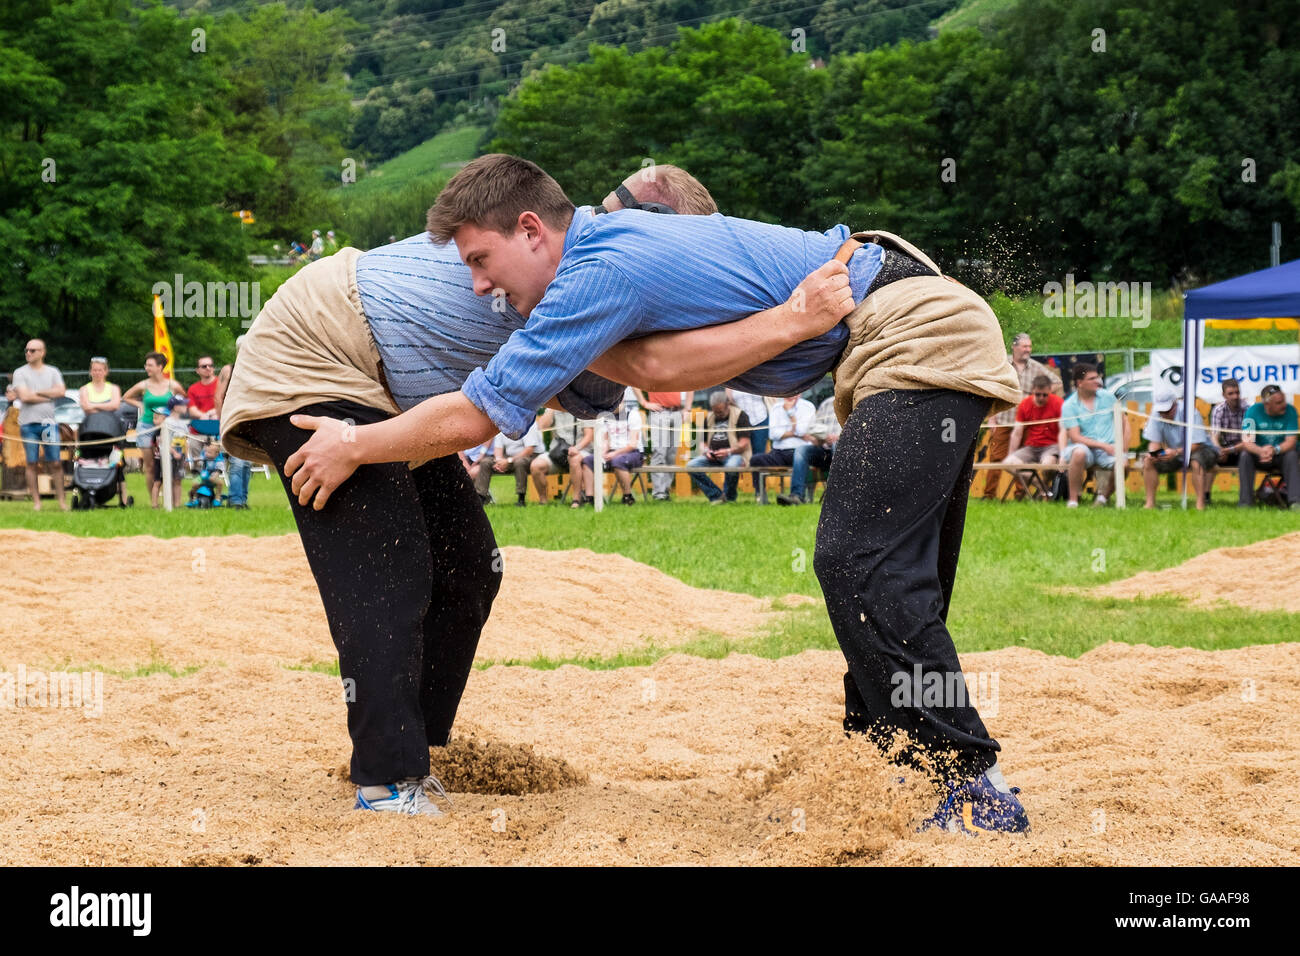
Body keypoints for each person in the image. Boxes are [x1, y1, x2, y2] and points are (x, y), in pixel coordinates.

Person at [287, 155, 1031, 833]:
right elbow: (650, 363)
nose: (478, 285)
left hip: (911, 327)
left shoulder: (601, 267)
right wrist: (789, 317)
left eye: (481, 259)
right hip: (897, 329)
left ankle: (967, 781)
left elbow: (480, 413)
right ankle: (895, 760)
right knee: (893, 574)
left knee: (861, 564)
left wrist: (352, 442)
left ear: (531, 228)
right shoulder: (614, 261)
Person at [221, 162, 849, 816]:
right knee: (388, 563)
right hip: (317, 356)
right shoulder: (591, 273)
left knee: (467, 569)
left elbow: (652, 372)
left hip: (398, 396)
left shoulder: (588, 262)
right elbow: (657, 375)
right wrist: (792, 317)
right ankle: (386, 780)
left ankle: (420, 756)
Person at [980, 333, 1063, 499]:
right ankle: (989, 495)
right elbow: (992, 390)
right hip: (1004, 419)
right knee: (996, 458)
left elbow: (1058, 382)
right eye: (1025, 346)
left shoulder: (1036, 367)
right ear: (1014, 347)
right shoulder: (1002, 366)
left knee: (1022, 461)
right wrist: (992, 417)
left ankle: (1021, 494)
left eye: (1030, 347)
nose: (1028, 350)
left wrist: (1038, 394)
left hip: (1026, 422)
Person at [1060, 362, 1129, 508]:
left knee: (1124, 464)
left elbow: (1124, 422)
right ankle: (1073, 501)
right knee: (1078, 453)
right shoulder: (1069, 405)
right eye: (1092, 379)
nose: (1097, 381)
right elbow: (1075, 437)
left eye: (1097, 377)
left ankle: (1102, 499)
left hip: (1109, 448)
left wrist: (1123, 448)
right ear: (1080, 383)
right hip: (1084, 448)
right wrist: (1102, 445)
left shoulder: (1108, 398)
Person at [123, 352, 186, 509]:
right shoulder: (144, 385)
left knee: (169, 462)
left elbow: (183, 401)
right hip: (146, 426)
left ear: (160, 367)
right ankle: (154, 502)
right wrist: (140, 405)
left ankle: (170, 499)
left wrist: (174, 413)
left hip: (167, 427)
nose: (147, 368)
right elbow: (126, 397)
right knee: (150, 465)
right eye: (146, 365)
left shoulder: (172, 385)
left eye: (150, 365)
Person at [1141, 383, 1217, 510]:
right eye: (1161, 411)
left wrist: (1175, 452)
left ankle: (1200, 504)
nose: (1164, 414)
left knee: (1196, 462)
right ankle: (1150, 503)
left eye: (1167, 410)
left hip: (1201, 449)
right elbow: (1154, 441)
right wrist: (1154, 454)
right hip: (1175, 452)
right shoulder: (1156, 413)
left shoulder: (1191, 413)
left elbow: (1197, 443)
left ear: (1175, 404)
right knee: (1148, 461)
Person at [13, 339, 68, 511]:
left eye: (32, 350)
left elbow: (61, 391)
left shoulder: (53, 371)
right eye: (26, 350)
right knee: (31, 463)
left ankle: (62, 502)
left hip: (49, 424)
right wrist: (48, 395)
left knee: (56, 463)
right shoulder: (20, 373)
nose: (28, 353)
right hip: (28, 425)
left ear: (42, 352)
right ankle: (37, 503)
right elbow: (25, 397)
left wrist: (36, 392)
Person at [1001, 374, 1063, 499]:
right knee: (1008, 463)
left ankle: (1045, 492)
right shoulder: (1025, 404)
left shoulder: (1058, 403)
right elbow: (1017, 433)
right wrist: (1011, 453)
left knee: (1048, 465)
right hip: (1031, 447)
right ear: (1033, 391)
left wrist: (1063, 453)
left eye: (1045, 395)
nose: (1041, 398)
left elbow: (1064, 431)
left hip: (1052, 446)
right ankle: (1045, 489)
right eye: (1038, 394)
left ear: (1050, 391)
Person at [1238, 383, 1299, 509]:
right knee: (1245, 456)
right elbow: (1247, 441)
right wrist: (1260, 451)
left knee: (1292, 455)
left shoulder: (1291, 411)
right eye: (1278, 403)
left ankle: (1295, 502)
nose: (1283, 405)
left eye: (1283, 401)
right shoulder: (1252, 411)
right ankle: (1245, 502)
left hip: (1280, 454)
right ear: (1267, 405)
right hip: (1258, 455)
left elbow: (1291, 441)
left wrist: (1275, 450)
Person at [685, 390, 752, 504]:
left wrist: (727, 451)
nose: (718, 414)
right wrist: (706, 451)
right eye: (715, 411)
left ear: (728, 405)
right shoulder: (710, 417)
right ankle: (716, 496)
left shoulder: (740, 415)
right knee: (691, 466)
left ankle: (729, 497)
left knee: (731, 466)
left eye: (720, 412)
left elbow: (744, 443)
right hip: (713, 456)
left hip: (735, 454)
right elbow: (703, 442)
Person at [577, 393, 643, 506]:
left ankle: (627, 496)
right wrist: (602, 453)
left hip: (633, 453)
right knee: (588, 460)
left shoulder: (632, 415)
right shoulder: (606, 417)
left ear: (621, 401)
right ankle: (589, 497)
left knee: (618, 461)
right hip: (612, 452)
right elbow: (606, 440)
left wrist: (615, 454)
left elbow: (633, 444)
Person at [777, 395, 840, 506]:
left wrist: (840, 437)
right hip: (824, 450)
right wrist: (824, 437)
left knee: (837, 445)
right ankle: (797, 496)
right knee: (801, 450)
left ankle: (838, 495)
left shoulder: (854, 403)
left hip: (846, 452)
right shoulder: (827, 404)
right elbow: (813, 431)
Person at [213, 337, 252, 509]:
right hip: (233, 420)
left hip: (250, 421)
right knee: (237, 462)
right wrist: (223, 421)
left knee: (246, 462)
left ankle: (242, 499)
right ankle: (235, 500)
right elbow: (218, 397)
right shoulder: (229, 370)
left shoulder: (254, 370)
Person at [636, 387, 691, 500]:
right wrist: (644, 402)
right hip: (659, 412)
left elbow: (691, 385)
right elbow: (634, 383)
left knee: (671, 455)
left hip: (677, 412)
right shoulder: (652, 369)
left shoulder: (678, 369)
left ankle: (665, 490)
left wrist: (687, 409)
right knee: (659, 452)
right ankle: (659, 493)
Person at [529, 408, 591, 505]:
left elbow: (589, 436)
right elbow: (541, 426)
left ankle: (576, 499)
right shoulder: (554, 408)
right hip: (558, 453)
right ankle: (543, 501)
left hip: (580, 451)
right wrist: (551, 409)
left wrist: (576, 448)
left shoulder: (582, 407)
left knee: (574, 459)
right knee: (536, 466)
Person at [476, 418, 545, 506]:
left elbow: (529, 450)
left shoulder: (527, 422)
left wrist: (509, 461)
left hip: (531, 457)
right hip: (509, 457)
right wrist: (499, 461)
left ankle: (521, 498)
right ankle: (481, 497)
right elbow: (498, 448)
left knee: (520, 462)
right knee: (486, 462)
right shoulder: (501, 425)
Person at [749, 394, 816, 476]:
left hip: (800, 452)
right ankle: (759, 489)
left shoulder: (808, 406)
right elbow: (773, 435)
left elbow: (801, 431)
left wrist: (790, 413)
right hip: (779, 453)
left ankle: (798, 488)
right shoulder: (776, 407)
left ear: (799, 393)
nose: (790, 395)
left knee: (801, 458)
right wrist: (796, 434)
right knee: (755, 459)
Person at [1210, 377, 1249, 469]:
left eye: (1237, 392)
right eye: (1231, 393)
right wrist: (1219, 451)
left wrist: (1228, 451)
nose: (1235, 396)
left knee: (1246, 455)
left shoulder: (1248, 409)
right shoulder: (1218, 410)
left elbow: (1249, 440)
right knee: (1208, 456)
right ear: (1224, 395)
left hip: (1244, 448)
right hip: (1226, 449)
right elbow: (1214, 435)